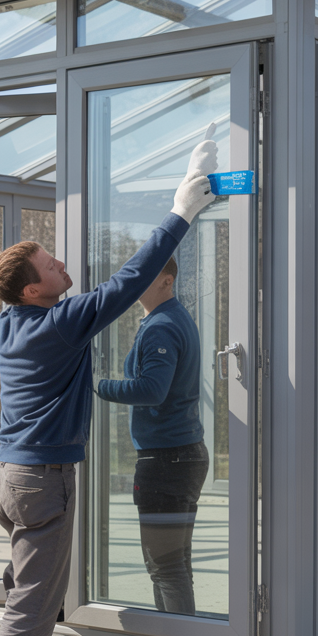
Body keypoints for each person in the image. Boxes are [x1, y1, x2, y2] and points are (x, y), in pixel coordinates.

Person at [0, 139, 218, 636]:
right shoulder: (59, 325)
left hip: (5, 476)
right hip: (41, 480)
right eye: (50, 266)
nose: (61, 263)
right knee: (36, 603)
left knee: (23, 580)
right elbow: (130, 280)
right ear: (31, 291)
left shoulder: (9, 322)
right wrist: (182, 210)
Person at [96, 256, 208, 616]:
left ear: (167, 281)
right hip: (180, 455)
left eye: (147, 274)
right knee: (175, 565)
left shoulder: (161, 325)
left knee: (166, 567)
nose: (136, 280)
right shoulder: (169, 318)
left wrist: (97, 385)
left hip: (166, 461)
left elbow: (151, 390)